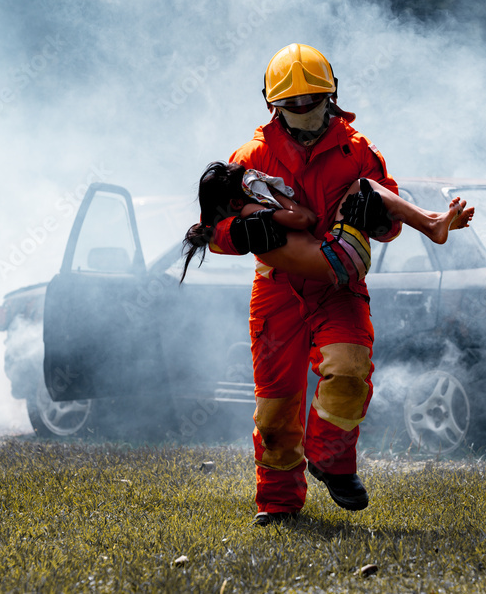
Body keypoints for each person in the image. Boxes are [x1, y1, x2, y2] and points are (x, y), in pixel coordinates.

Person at [200, 43, 466, 527]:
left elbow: (388, 226)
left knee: (347, 373)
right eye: (292, 103)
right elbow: (212, 230)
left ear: (331, 94)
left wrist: (379, 223)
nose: (302, 111)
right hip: (277, 288)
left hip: (339, 288)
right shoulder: (250, 156)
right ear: (272, 104)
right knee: (275, 411)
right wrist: (238, 234)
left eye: (312, 100)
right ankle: (279, 504)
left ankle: (332, 463)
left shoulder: (359, 151)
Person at [181, 161, 473, 288]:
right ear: (235, 201)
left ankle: (434, 220)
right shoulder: (248, 212)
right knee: (363, 186)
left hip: (342, 267)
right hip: (339, 255)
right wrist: (279, 196)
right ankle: (431, 223)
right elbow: (305, 218)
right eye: (248, 182)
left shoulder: (234, 231)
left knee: (366, 189)